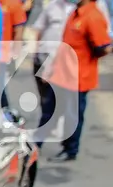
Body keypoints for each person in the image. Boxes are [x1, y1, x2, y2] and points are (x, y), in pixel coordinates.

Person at [46, 0, 111, 160]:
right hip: (63, 74)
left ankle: (71, 150)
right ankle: (59, 145)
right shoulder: (76, 13)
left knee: (72, 115)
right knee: (53, 110)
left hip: (78, 77)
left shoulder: (92, 16)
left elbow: (102, 47)